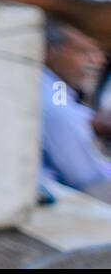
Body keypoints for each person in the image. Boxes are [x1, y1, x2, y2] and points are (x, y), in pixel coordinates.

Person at [39, 17, 111, 200]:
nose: (98, 61)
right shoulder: (55, 104)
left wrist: (90, 119)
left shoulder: (55, 85)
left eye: (100, 52)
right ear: (49, 52)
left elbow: (69, 111)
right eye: (85, 52)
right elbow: (91, 182)